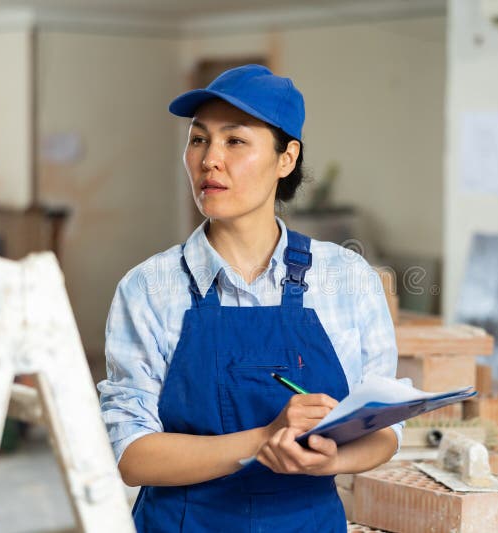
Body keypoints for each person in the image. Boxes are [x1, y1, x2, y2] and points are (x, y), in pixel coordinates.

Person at [98, 64, 402, 533]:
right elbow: (132, 455)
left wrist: (329, 460)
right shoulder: (148, 288)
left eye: (234, 141)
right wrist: (263, 439)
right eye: (198, 139)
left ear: (286, 158)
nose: (209, 160)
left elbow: (385, 429)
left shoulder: (348, 280)